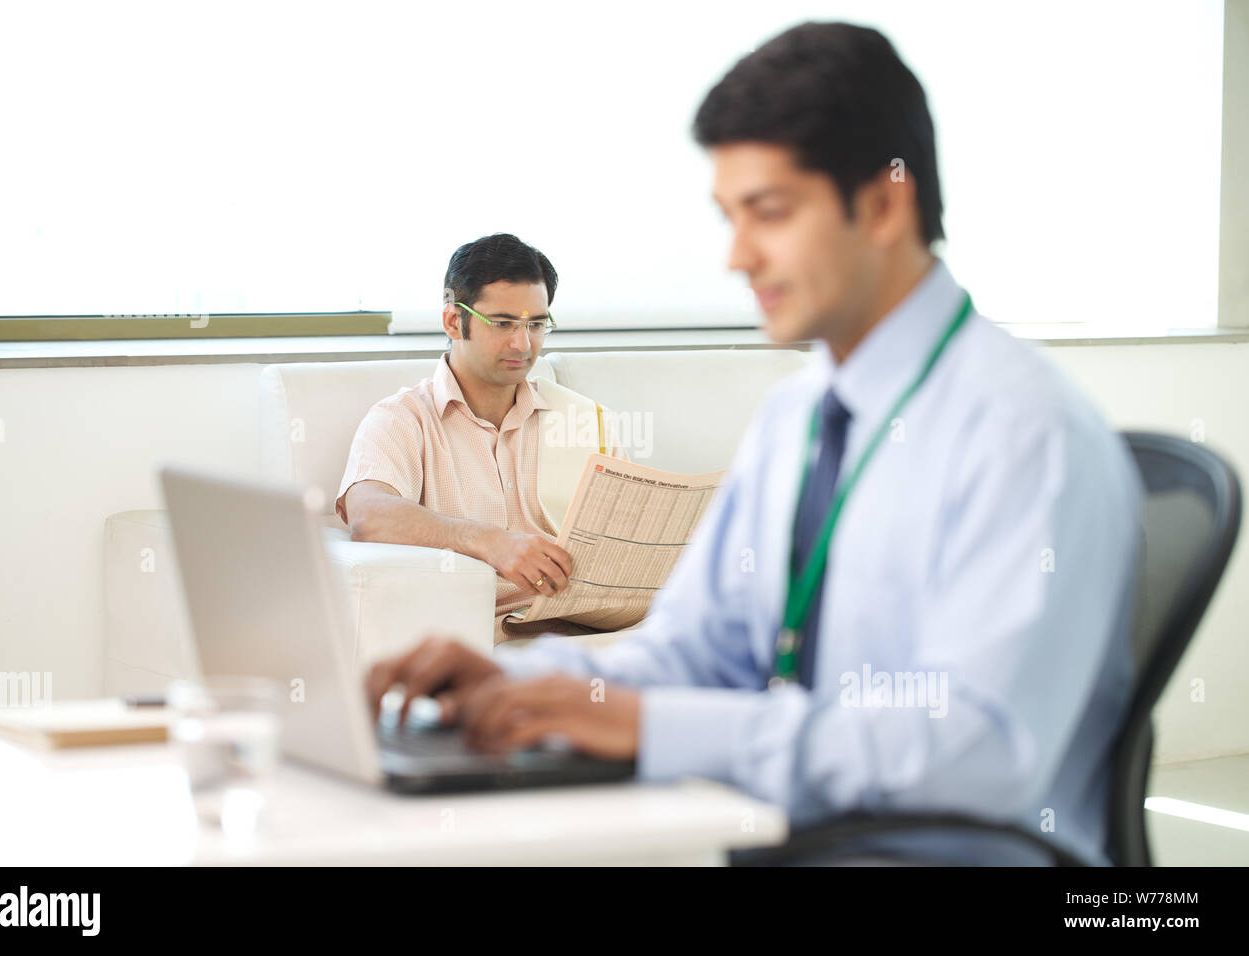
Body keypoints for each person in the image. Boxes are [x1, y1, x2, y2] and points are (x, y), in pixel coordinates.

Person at [364, 22, 1143, 865]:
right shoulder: (797, 420)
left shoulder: (1026, 433)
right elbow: (697, 651)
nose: (737, 256)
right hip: (766, 835)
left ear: (884, 203)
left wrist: (654, 729)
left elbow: (975, 756)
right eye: (728, 217)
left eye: (768, 214)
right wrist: (511, 686)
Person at [336, 233, 630, 642]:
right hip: (491, 641)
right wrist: (490, 543)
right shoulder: (404, 419)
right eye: (504, 323)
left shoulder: (583, 420)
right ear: (454, 321)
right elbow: (369, 515)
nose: (523, 343)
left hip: (605, 632)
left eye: (536, 324)